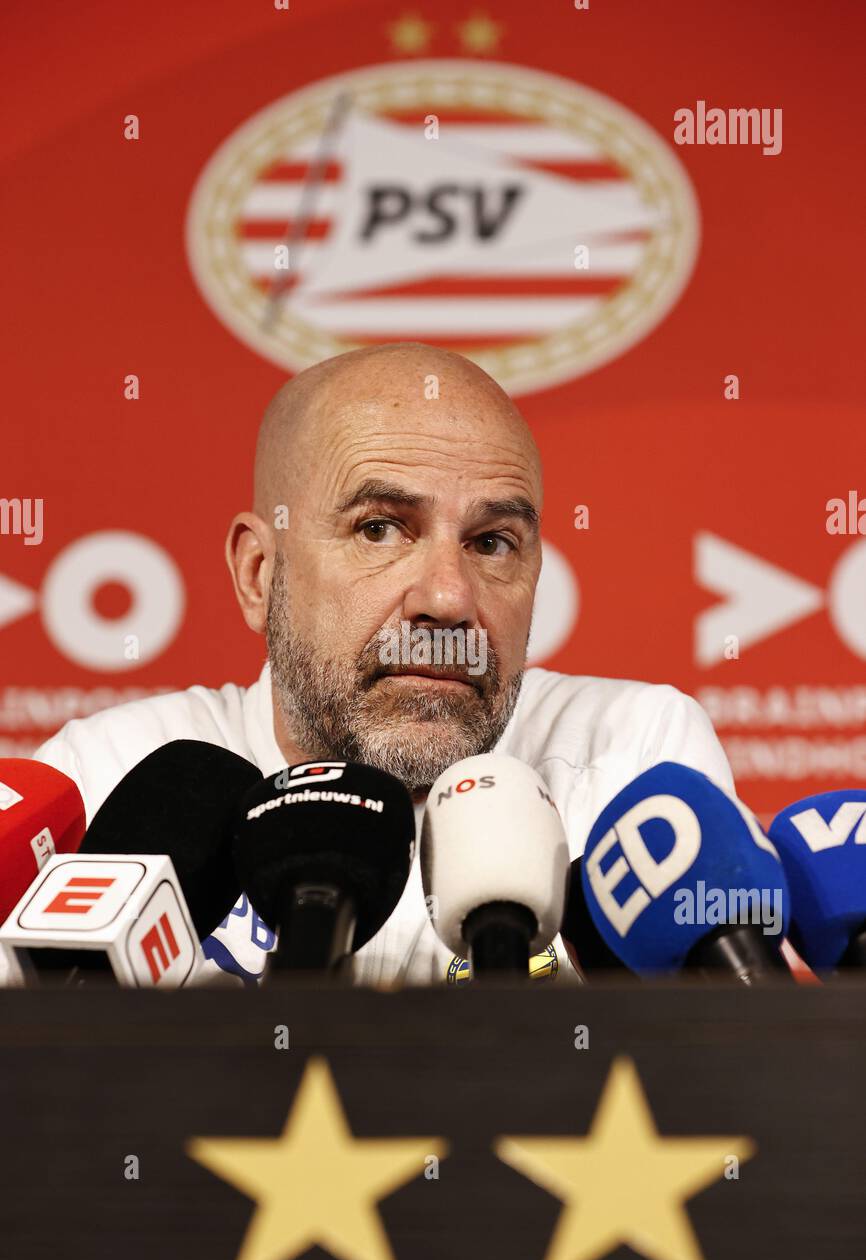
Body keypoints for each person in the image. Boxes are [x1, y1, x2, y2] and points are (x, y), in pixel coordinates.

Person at [34, 342, 733, 986]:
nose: (449, 599)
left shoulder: (632, 762)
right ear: (258, 575)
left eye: (492, 543)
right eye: (379, 529)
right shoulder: (105, 780)